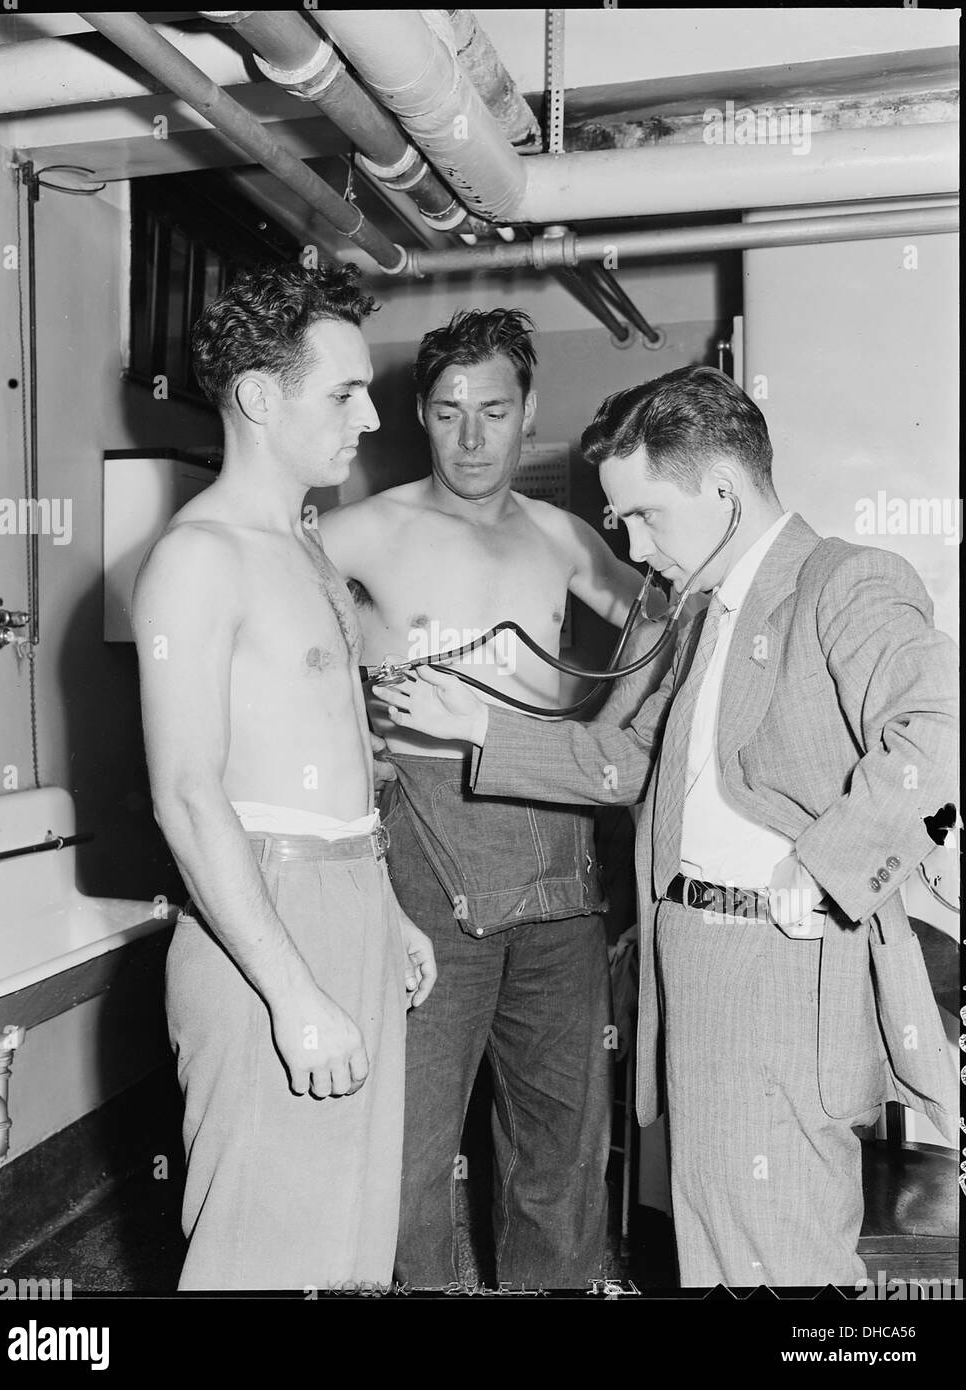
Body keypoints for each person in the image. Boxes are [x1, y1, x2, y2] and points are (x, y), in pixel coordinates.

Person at [380, 364, 958, 1288]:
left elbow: (940, 738)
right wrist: (482, 727)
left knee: (778, 1260)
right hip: (694, 962)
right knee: (720, 1251)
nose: (637, 549)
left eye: (648, 516)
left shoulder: (841, 581)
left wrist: (827, 871)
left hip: (776, 962)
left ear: (724, 493)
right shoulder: (701, 615)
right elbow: (632, 763)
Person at [318, 309, 644, 1289]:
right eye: (449, 411)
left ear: (527, 412)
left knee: (561, 1134)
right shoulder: (363, 530)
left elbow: (673, 616)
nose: (470, 438)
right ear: (420, 412)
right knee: (415, 1140)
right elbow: (250, 601)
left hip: (554, 858)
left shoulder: (566, 538)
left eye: (493, 412)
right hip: (426, 851)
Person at [132, 262, 436, 1291]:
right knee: (259, 1255)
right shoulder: (197, 558)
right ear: (261, 399)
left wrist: (384, 908)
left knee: (349, 1246)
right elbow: (186, 793)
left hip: (346, 891)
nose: (371, 413)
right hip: (261, 917)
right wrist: (295, 991)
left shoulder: (306, 550)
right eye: (343, 391)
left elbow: (341, 763)